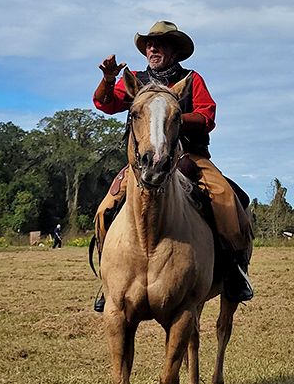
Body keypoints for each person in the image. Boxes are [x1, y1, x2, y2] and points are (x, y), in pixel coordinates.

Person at [92, 20, 253, 311]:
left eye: (161, 43)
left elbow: (207, 117)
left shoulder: (191, 79)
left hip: (190, 157)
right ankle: (108, 282)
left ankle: (234, 273)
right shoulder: (135, 82)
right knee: (105, 208)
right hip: (142, 163)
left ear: (175, 50)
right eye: (149, 44)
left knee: (228, 199)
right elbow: (104, 103)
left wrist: (173, 116)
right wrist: (107, 78)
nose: (153, 48)